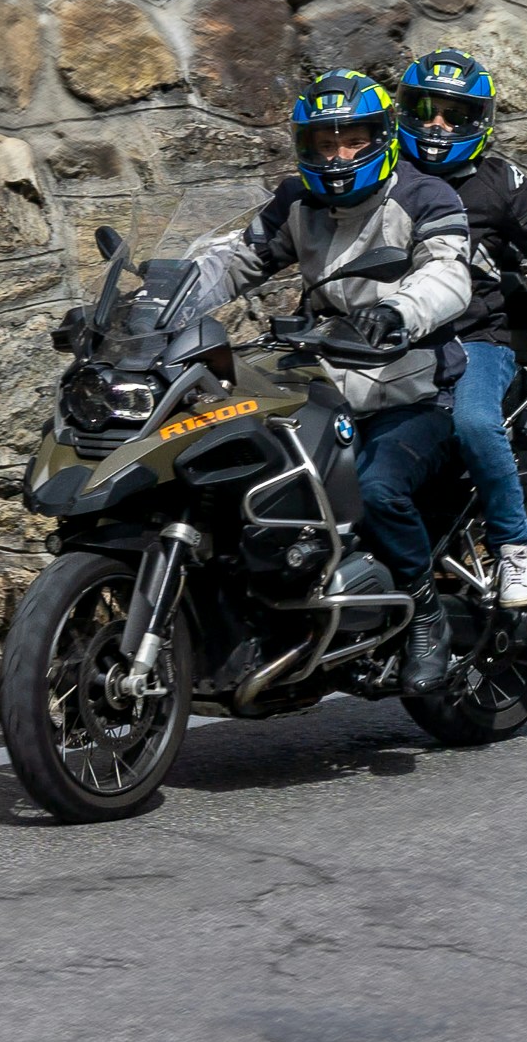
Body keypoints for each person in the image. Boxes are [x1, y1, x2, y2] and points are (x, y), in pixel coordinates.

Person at [181, 69, 478, 694]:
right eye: (323, 143)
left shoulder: (426, 197)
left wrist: (398, 309)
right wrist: (156, 302)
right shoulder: (299, 202)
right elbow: (238, 259)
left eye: (351, 139)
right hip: (323, 379)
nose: (337, 155)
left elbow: (448, 274)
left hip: (412, 388)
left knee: (376, 487)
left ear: (381, 136)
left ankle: (424, 613)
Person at [395, 48, 527, 612]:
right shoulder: (379, 176)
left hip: (476, 341)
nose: (437, 125)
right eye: (426, 109)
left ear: (480, 122)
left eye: (455, 115)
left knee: (476, 423)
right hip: (393, 344)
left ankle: (513, 550)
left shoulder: (500, 183)